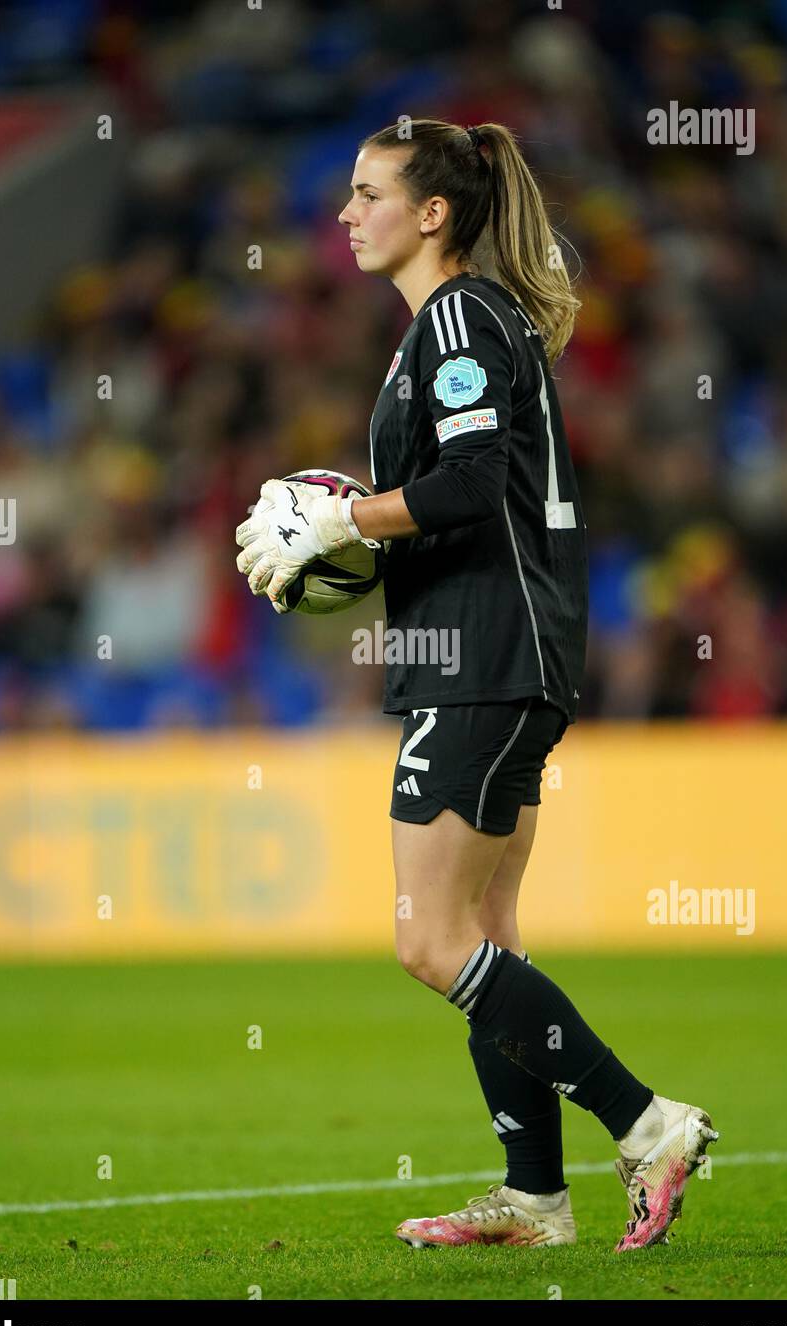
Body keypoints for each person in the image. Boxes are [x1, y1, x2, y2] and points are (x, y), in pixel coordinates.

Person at [236, 119, 718, 1251]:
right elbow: (470, 491)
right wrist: (353, 537)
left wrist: (341, 517)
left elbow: (472, 480)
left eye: (366, 194)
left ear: (433, 213)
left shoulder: (456, 316)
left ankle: (647, 1122)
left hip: (483, 658)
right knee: (488, 931)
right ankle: (535, 1197)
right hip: (507, 654)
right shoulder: (467, 326)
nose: (346, 214)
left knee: (428, 938)